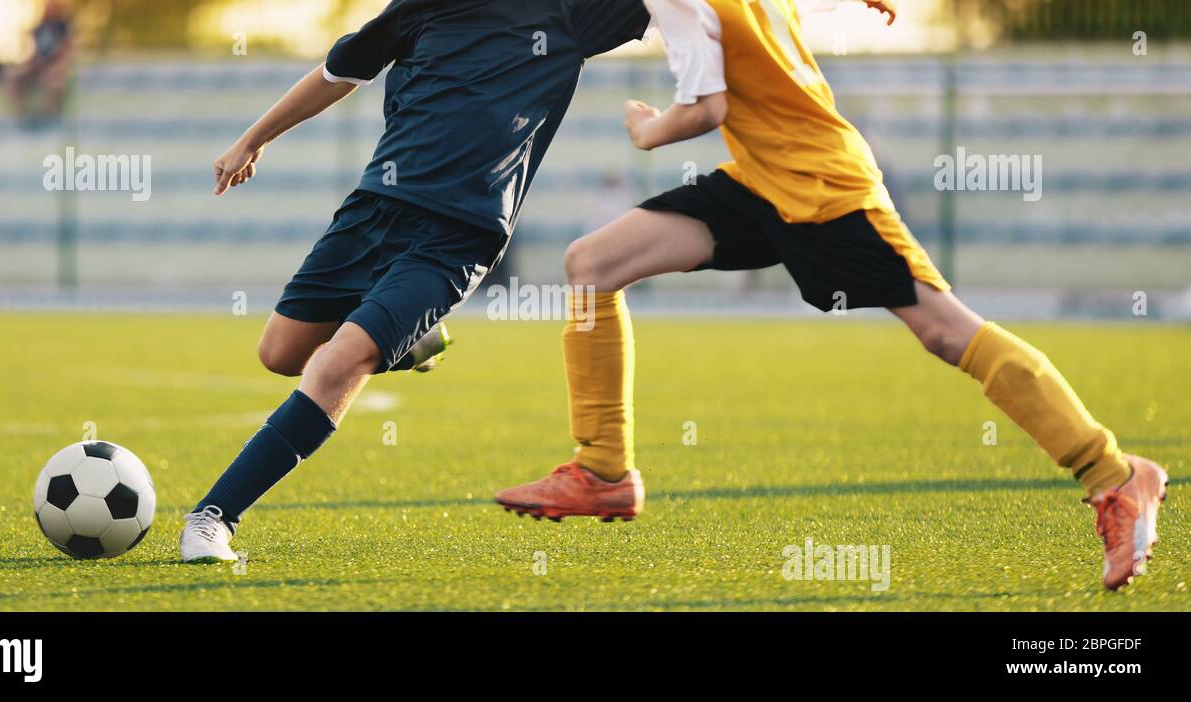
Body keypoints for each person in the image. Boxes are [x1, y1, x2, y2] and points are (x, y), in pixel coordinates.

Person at [492, 0, 1168, 591]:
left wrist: (647, 131)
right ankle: (604, 470)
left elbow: (707, 108)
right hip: (760, 181)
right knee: (592, 263)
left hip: (825, 186)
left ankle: (1113, 472)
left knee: (943, 330)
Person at [179, 0, 651, 562]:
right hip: (373, 208)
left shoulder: (570, 14)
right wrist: (253, 139)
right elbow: (338, 73)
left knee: (337, 363)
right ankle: (411, 340)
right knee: (280, 353)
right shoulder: (420, 7)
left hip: (458, 235)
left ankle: (213, 516)